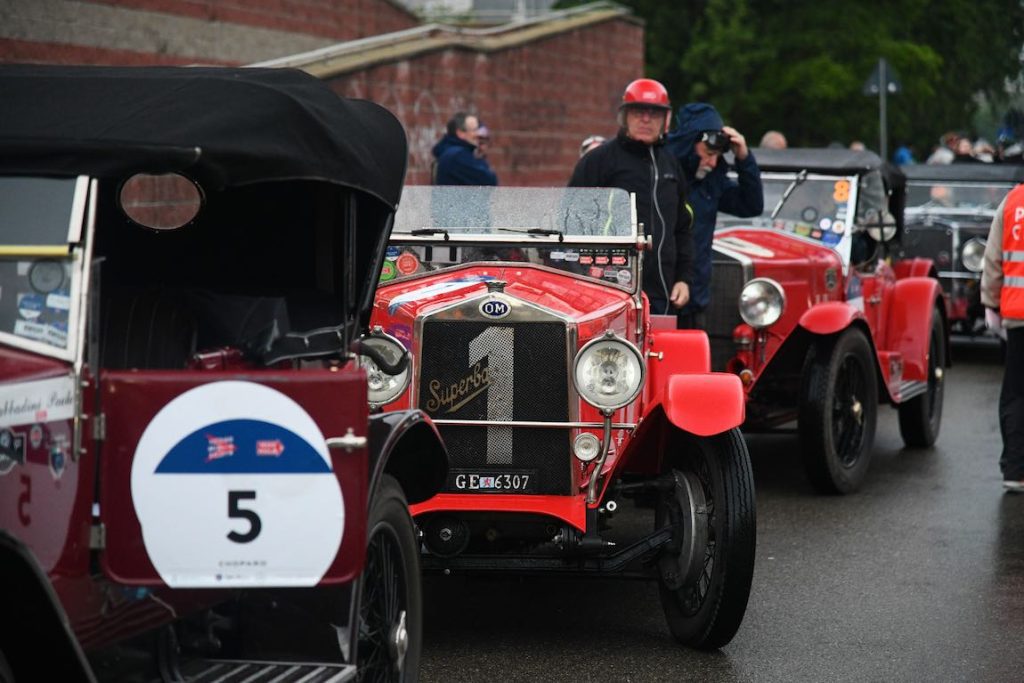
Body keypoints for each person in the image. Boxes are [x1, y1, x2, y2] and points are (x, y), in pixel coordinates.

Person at [568, 78, 694, 316]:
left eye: (654, 114)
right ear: (625, 116)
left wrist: (684, 278)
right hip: (606, 291)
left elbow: (683, 229)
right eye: (638, 112)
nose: (646, 119)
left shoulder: (671, 165)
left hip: (662, 292)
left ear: (665, 120)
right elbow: (569, 221)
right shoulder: (599, 161)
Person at [666, 103, 763, 329]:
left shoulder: (713, 181)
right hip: (661, 293)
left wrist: (744, 157)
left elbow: (751, 205)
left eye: (718, 156)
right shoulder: (663, 174)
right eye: (709, 153)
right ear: (689, 145)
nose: (712, 162)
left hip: (695, 296)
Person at [982, 182, 1024, 492]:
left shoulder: (1012, 202)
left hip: (1018, 314)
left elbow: (993, 260)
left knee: (1016, 392)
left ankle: (1015, 470)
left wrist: (990, 303)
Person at [432, 112, 498, 185]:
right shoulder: (458, 156)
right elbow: (489, 181)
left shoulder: (449, 152)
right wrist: (480, 158)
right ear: (460, 133)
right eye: (475, 130)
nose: (478, 134)